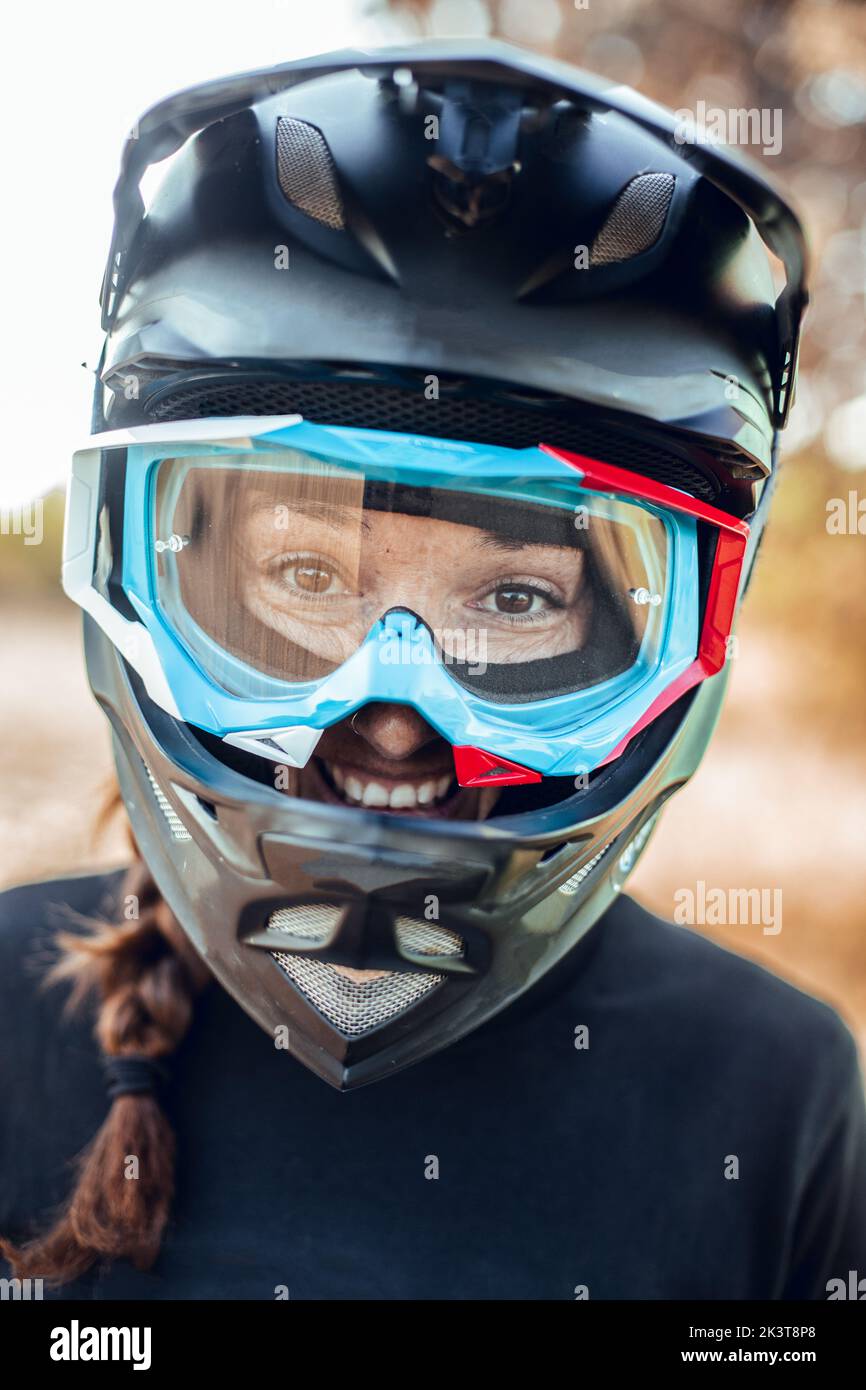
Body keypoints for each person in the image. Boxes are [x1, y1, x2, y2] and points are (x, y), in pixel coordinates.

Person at [2, 39, 864, 1301]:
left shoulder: (773, 1093)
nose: (389, 722)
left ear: (649, 642)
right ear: (144, 575)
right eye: (303, 580)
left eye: (511, 600)